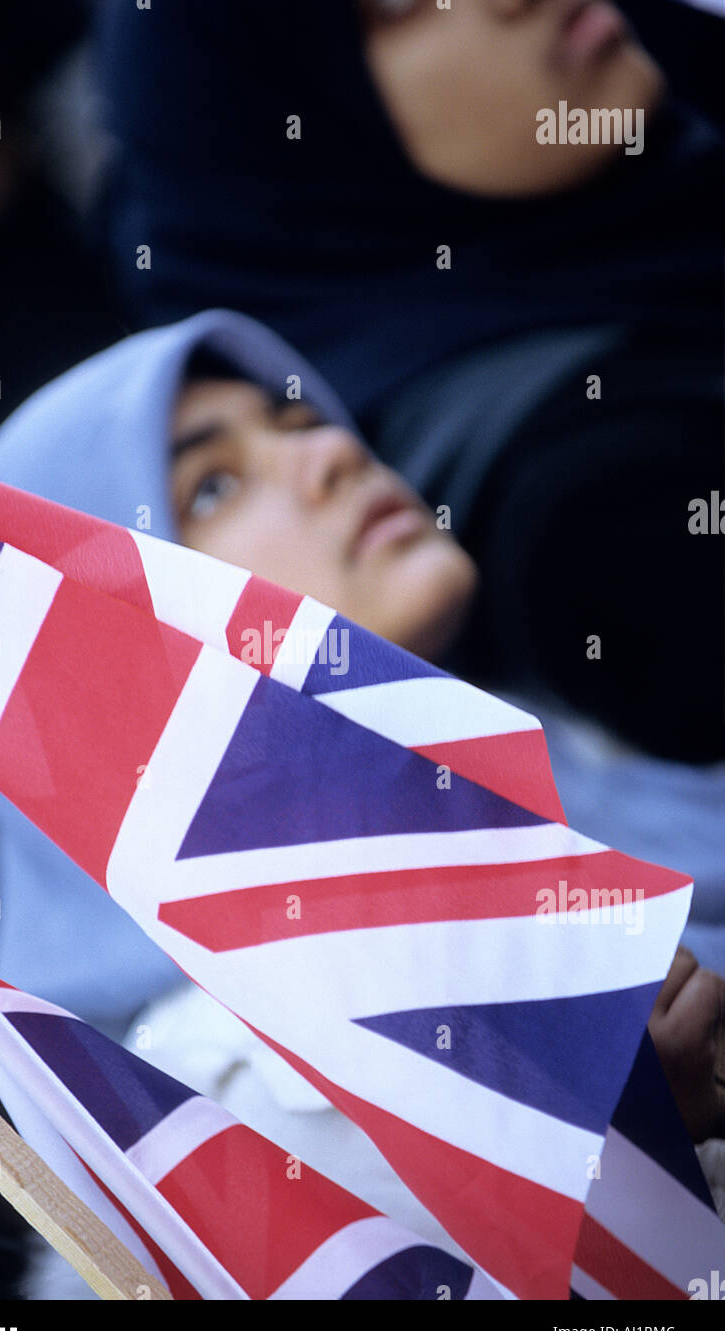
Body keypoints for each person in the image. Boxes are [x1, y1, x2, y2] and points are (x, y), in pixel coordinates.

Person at [0, 311, 724, 1269]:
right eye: (212, 484)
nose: (326, 452)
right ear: (101, 665)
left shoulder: (579, 754)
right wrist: (623, 1158)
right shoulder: (228, 1110)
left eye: (295, 417)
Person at [93, 0, 724, 763]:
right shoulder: (593, 506)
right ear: (298, 123)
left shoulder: (665, 178)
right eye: (399, 8)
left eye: (294, 424)